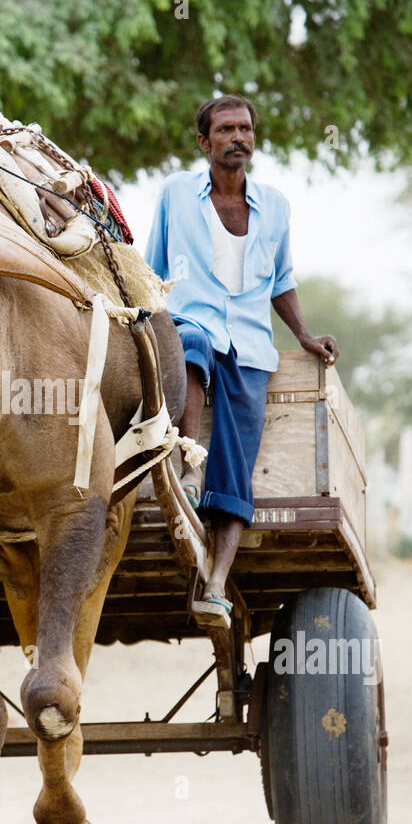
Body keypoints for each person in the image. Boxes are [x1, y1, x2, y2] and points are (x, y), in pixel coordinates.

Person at [145, 95, 339, 629]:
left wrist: (303, 335)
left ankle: (213, 587)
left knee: (236, 480)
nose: (238, 138)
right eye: (226, 129)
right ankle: (188, 466)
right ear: (204, 142)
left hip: (252, 349)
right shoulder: (175, 195)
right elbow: (152, 272)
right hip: (192, 323)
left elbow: (282, 282)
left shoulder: (275, 206)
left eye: (245, 129)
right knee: (191, 343)